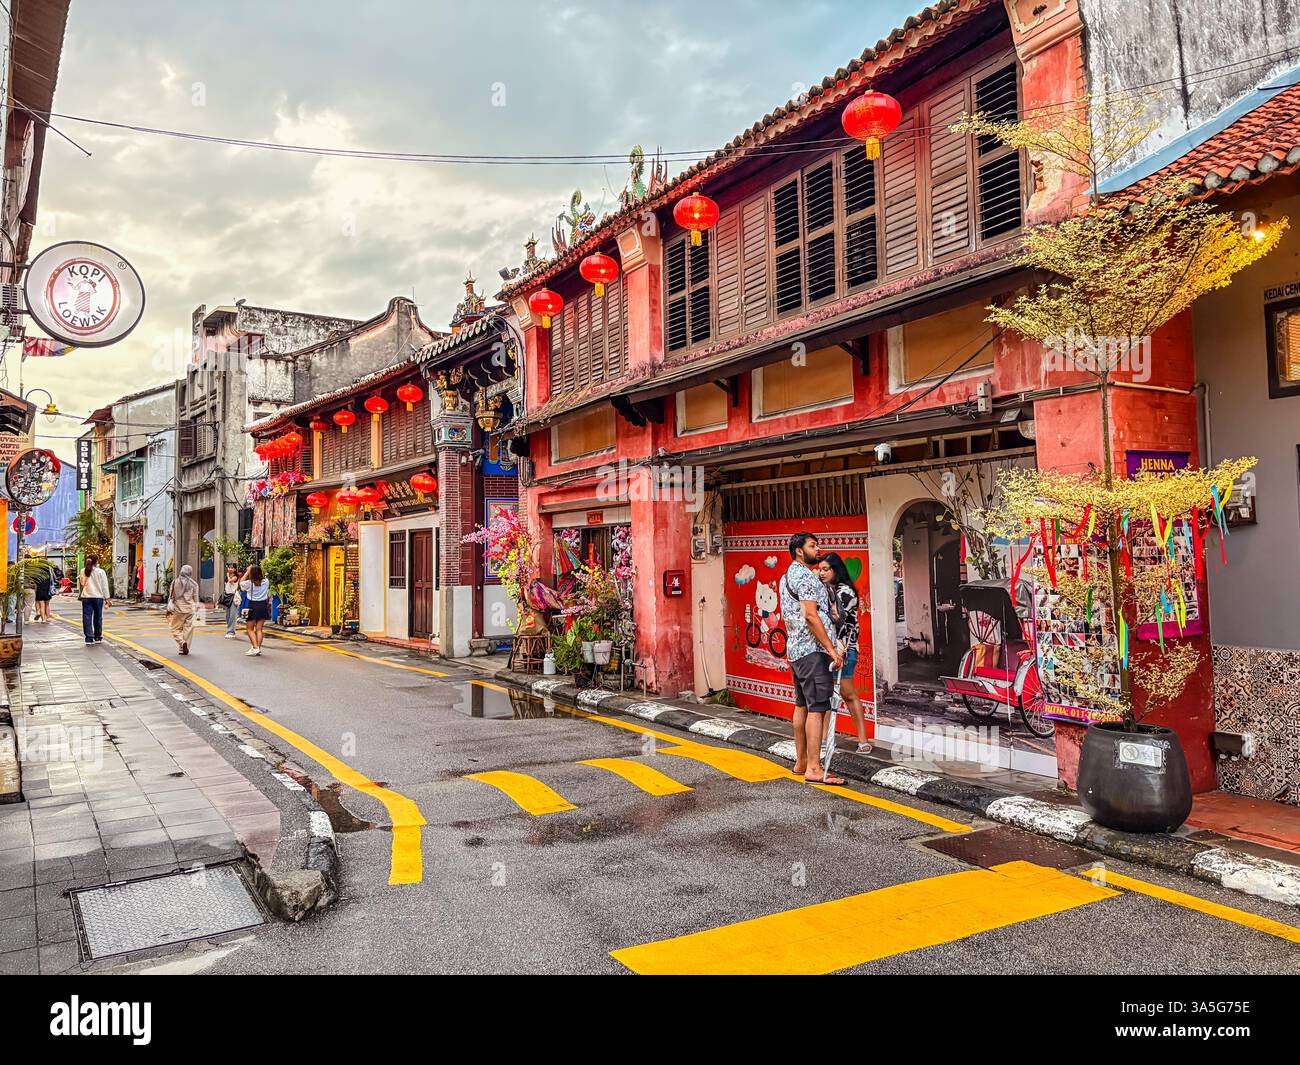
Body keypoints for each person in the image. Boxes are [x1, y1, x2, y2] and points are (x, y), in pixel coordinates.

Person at [779, 531, 845, 785]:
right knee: (818, 707)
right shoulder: (805, 578)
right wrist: (830, 648)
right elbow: (810, 615)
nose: (818, 549)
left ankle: (802, 761)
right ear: (799, 551)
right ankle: (815, 768)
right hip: (812, 651)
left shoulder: (788, 575)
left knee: (802, 705)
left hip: (796, 650)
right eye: (812, 545)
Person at [818, 552, 872, 754]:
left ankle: (862, 739)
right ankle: (824, 738)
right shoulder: (826, 589)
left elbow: (835, 618)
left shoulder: (845, 592)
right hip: (826, 650)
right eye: (820, 569)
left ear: (836, 570)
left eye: (826, 569)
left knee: (848, 694)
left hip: (844, 650)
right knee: (825, 695)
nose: (821, 573)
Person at [167, 564, 201, 655]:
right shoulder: (194, 584)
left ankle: (182, 642)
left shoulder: (175, 582)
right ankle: (182, 649)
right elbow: (196, 598)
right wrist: (197, 608)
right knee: (188, 630)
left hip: (178, 609)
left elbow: (171, 596)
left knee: (174, 628)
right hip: (190, 609)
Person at [77, 555, 111, 645]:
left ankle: (89, 638)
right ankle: (97, 636)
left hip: (86, 597)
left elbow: (82, 583)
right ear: (96, 561)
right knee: (98, 617)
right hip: (98, 597)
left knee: (87, 617)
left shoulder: (83, 571)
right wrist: (107, 598)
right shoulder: (100, 572)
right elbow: (104, 586)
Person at [240, 563, 271, 656]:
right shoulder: (266, 582)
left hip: (252, 605)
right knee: (259, 629)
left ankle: (255, 647)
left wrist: (247, 572)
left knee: (249, 628)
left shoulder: (249, 583)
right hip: (263, 606)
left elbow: (241, 582)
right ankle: (257, 648)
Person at [220, 563, 241, 639]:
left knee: (232, 615)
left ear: (235, 569)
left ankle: (231, 632)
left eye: (232, 568)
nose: (230, 569)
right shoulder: (227, 576)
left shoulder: (235, 576)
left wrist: (228, 575)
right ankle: (230, 630)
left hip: (234, 597)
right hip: (228, 597)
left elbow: (230, 581)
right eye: (229, 567)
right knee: (228, 615)